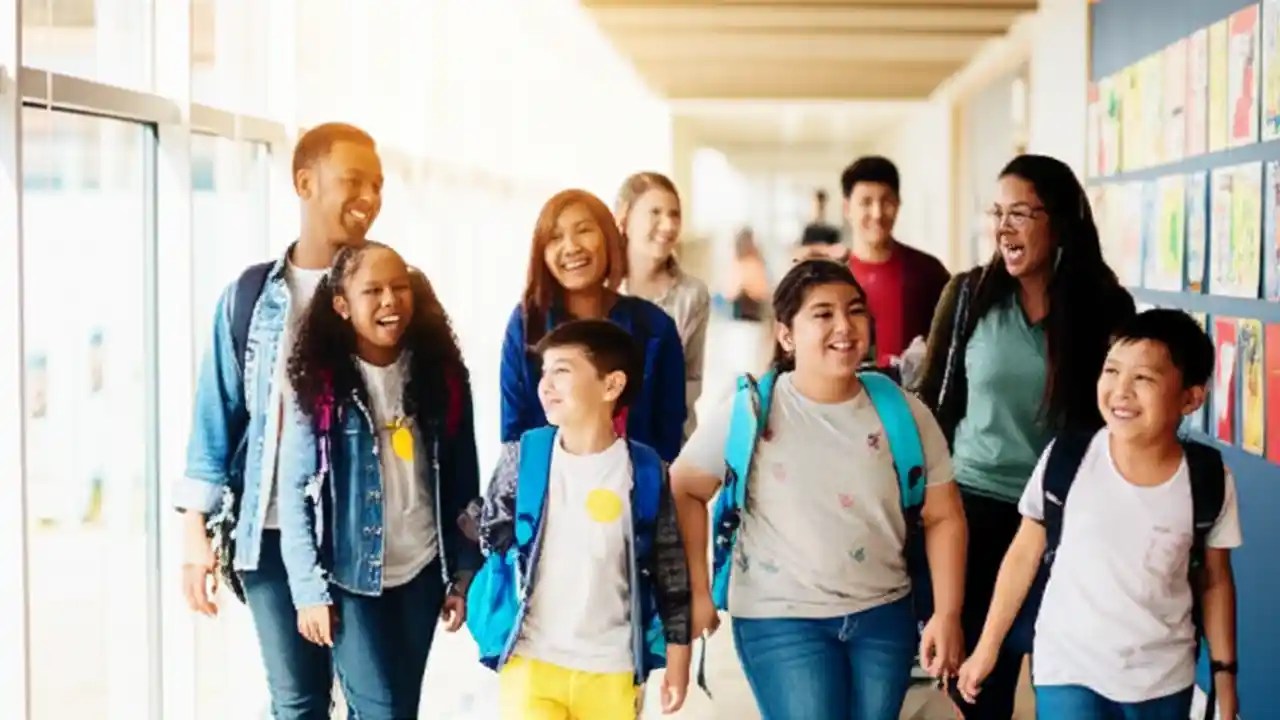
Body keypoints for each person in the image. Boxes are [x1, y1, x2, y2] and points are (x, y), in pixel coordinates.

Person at [671, 259, 968, 720]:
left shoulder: (903, 412)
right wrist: (697, 591)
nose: (844, 327)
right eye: (823, 314)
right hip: (779, 618)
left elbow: (944, 515)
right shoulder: (751, 411)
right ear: (787, 335)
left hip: (884, 614)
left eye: (855, 311)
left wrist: (947, 614)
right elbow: (685, 488)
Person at [917, 154, 1136, 720]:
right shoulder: (968, 296)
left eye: (1021, 213)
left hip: (1063, 520)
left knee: (1064, 682)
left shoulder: (1105, 307)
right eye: (998, 213)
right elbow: (934, 403)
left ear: (1058, 221)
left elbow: (1117, 416)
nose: (1004, 227)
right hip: (976, 512)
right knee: (976, 690)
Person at [176, 122, 382, 718]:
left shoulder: (391, 293)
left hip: (363, 531)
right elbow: (216, 419)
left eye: (376, 184)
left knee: (377, 701)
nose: (367, 197)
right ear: (304, 182)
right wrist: (196, 534)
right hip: (266, 535)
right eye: (352, 180)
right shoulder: (249, 297)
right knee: (296, 702)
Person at [955, 309, 1240, 720]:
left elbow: (1215, 581)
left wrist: (1224, 678)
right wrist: (987, 648)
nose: (1121, 390)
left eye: (1143, 378)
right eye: (1112, 371)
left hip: (1162, 678)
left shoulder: (1208, 480)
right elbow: (1022, 555)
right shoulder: (1068, 459)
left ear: (1191, 397)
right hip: (1067, 668)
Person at [277, 242, 481, 718]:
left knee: (396, 711)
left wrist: (464, 569)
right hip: (351, 580)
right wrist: (308, 590)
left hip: (423, 572)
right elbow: (294, 492)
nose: (390, 300)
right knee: (384, 712)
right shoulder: (318, 382)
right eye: (373, 291)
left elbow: (461, 479)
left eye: (399, 288)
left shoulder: (442, 375)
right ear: (342, 305)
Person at [474, 319, 692, 719]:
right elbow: (491, 538)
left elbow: (670, 570)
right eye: (544, 373)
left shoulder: (643, 471)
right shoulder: (523, 457)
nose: (546, 385)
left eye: (562, 371)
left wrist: (678, 663)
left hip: (611, 668)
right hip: (531, 659)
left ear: (611, 386)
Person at [500, 188, 686, 462]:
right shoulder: (527, 324)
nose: (572, 247)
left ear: (608, 238)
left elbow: (667, 439)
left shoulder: (656, 328)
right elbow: (514, 436)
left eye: (584, 230)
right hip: (548, 493)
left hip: (629, 494)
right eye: (554, 238)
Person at [615, 171, 710, 439]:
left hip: (666, 440)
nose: (668, 225)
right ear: (625, 217)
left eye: (675, 214)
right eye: (655, 212)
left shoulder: (692, 294)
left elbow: (691, 380)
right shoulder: (602, 288)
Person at [840, 156, 950, 369]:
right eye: (866, 202)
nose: (877, 213)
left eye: (886, 201)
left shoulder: (928, 273)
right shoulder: (832, 277)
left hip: (913, 398)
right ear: (847, 209)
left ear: (898, 204)